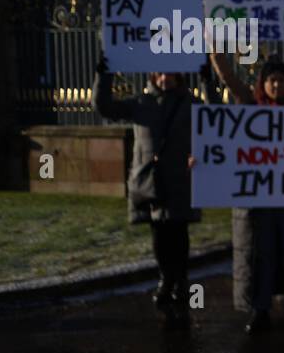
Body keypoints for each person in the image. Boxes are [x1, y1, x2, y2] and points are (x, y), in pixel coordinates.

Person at [91, 58, 216, 329]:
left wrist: (208, 81)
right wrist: (104, 74)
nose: (164, 78)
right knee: (158, 232)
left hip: (180, 179)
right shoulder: (141, 103)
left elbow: (216, 115)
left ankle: (180, 279)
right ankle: (166, 278)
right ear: (152, 74)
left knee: (178, 233)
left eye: (169, 73)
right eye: (159, 73)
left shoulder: (190, 103)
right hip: (151, 181)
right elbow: (104, 107)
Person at [210, 49, 284, 334]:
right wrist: (215, 51)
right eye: (271, 80)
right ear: (262, 84)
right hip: (258, 201)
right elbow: (228, 78)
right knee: (260, 254)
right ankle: (259, 309)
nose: (276, 86)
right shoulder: (250, 108)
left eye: (281, 81)